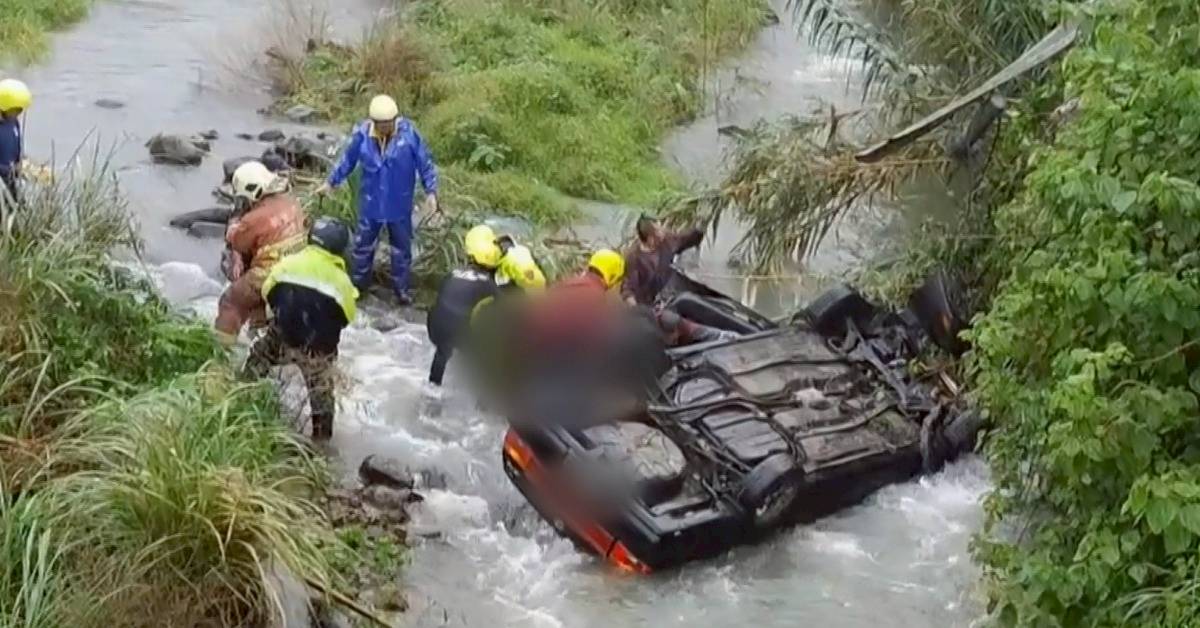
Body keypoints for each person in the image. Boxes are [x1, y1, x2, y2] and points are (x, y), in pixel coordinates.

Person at [315, 94, 439, 305]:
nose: (385, 128)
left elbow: (425, 163)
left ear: (395, 119)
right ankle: (358, 288)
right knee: (363, 247)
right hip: (371, 203)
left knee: (401, 249)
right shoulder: (362, 136)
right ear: (373, 122)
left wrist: (431, 192)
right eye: (380, 124)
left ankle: (402, 291)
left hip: (399, 203)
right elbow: (347, 161)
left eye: (388, 123)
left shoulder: (409, 137)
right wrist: (331, 183)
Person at [243, 218, 358, 440]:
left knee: (257, 361)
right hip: (317, 349)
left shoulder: (288, 263)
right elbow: (347, 317)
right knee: (322, 395)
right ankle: (321, 441)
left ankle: (238, 397)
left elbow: (268, 292)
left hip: (282, 335)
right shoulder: (342, 282)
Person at [215, 161, 307, 346]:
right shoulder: (291, 203)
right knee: (256, 296)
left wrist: (235, 223)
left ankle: (221, 349)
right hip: (299, 267)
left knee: (232, 300)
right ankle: (260, 334)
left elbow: (237, 241)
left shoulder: (254, 218)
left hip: (271, 271)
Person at [426, 224, 503, 386]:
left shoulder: (452, 273)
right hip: (461, 334)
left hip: (435, 329)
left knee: (443, 350)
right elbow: (504, 307)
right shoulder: (488, 284)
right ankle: (483, 403)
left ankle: (433, 384)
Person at [622, 214, 704, 307]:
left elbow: (684, 239)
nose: (662, 233)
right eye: (658, 231)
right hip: (650, 304)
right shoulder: (634, 258)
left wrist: (700, 228)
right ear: (650, 239)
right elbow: (628, 289)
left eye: (661, 228)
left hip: (670, 293)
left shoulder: (667, 240)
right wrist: (637, 310)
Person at [0, 78, 31, 204]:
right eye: (16, 109)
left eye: (21, 109)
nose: (19, 112)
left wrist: (23, 162)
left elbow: (16, 147)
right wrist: (10, 170)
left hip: (11, 180)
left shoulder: (14, 123)